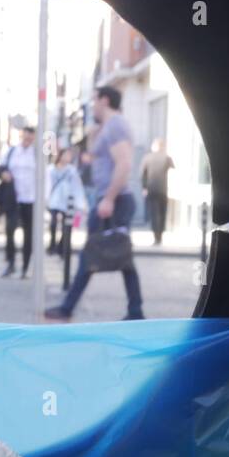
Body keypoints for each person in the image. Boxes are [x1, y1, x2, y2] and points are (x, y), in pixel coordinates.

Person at [46, 86, 144, 320]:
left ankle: (68, 307)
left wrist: (109, 198)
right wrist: (93, 133)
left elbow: (124, 164)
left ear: (105, 100)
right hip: (110, 199)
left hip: (115, 200)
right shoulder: (107, 127)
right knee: (118, 257)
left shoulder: (117, 125)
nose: (92, 106)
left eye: (94, 101)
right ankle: (135, 310)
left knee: (101, 255)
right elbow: (93, 157)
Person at [0, 126, 38, 279]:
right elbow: (1, 168)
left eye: (31, 138)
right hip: (14, 198)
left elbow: (46, 171)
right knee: (10, 230)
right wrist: (4, 174)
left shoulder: (37, 154)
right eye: (25, 137)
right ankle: (10, 263)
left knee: (28, 234)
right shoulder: (11, 152)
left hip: (30, 199)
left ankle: (25, 266)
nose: (27, 140)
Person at [46, 146, 87, 255]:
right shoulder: (51, 169)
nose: (68, 157)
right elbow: (47, 185)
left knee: (67, 224)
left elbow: (77, 186)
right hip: (54, 199)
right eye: (66, 155)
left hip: (67, 201)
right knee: (53, 223)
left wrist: (80, 203)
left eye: (69, 155)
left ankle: (63, 246)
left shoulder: (72, 170)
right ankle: (52, 245)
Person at [140, 138, 175, 245]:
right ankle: (160, 236)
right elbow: (174, 168)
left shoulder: (147, 158)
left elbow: (142, 174)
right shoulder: (167, 158)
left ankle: (156, 237)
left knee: (154, 213)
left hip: (151, 189)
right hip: (163, 190)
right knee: (162, 213)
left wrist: (144, 187)